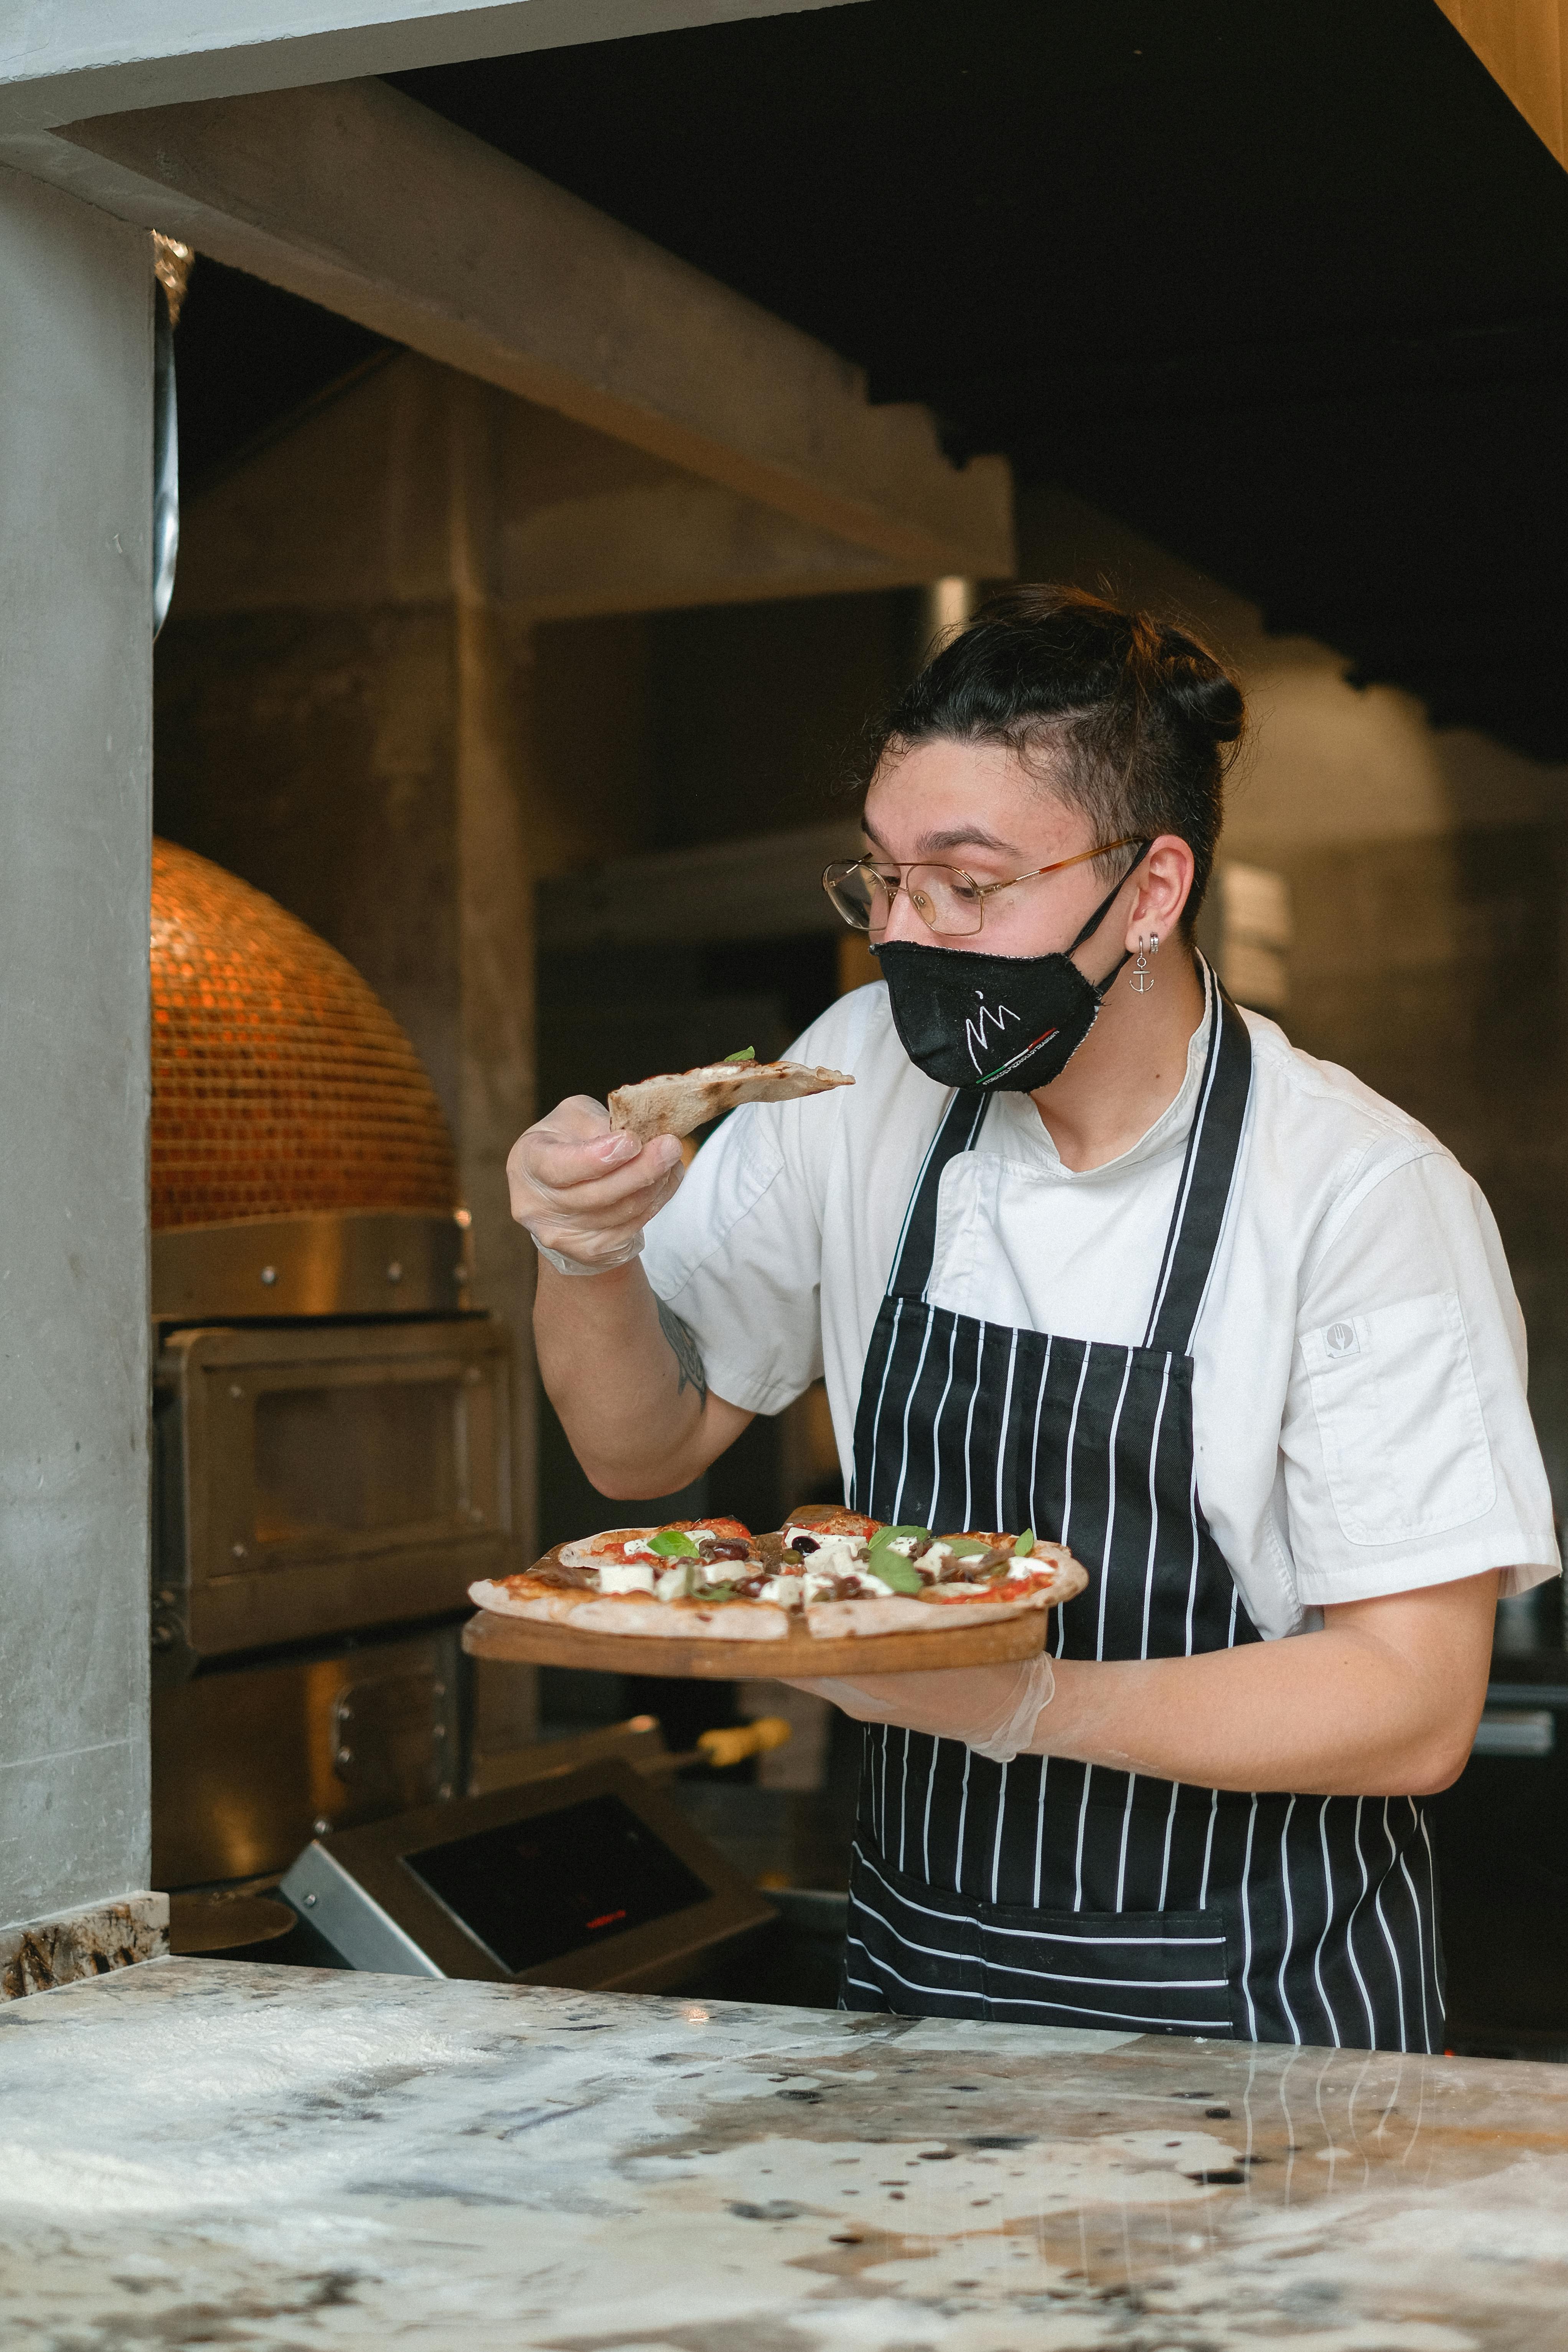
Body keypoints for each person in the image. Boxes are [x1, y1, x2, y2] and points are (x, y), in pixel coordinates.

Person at [508, 585, 1559, 2050]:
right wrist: (587, 1254)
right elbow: (642, 1448)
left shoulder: (1357, 1190)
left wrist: (1019, 1700)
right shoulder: (860, 1073)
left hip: (1249, 1997)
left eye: (968, 883)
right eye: (881, 879)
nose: (903, 935)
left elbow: (1414, 1703)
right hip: (924, 1964)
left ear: (1149, 889)